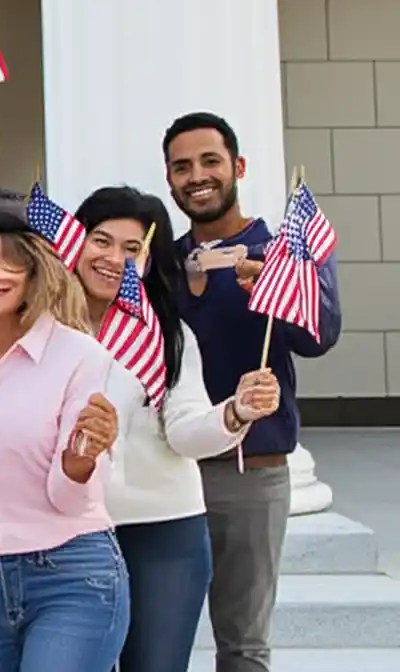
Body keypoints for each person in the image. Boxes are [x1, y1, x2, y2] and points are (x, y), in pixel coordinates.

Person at [72, 186, 282, 672]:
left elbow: (185, 430)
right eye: (100, 241)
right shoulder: (36, 328)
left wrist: (236, 411)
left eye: (132, 249)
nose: (112, 259)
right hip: (66, 533)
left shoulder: (168, 333)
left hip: (162, 531)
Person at [162, 112, 342, 672]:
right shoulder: (157, 263)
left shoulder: (284, 252)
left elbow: (320, 337)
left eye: (210, 161)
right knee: (152, 637)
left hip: (249, 469)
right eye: (181, 166)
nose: (197, 176)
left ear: (237, 167)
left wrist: (271, 288)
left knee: (242, 646)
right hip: (164, 472)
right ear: (169, 180)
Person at [0, 211, 128, 672]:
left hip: (71, 575)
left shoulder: (79, 355)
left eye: (10, 261)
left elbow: (67, 498)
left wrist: (80, 456)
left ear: (33, 272)